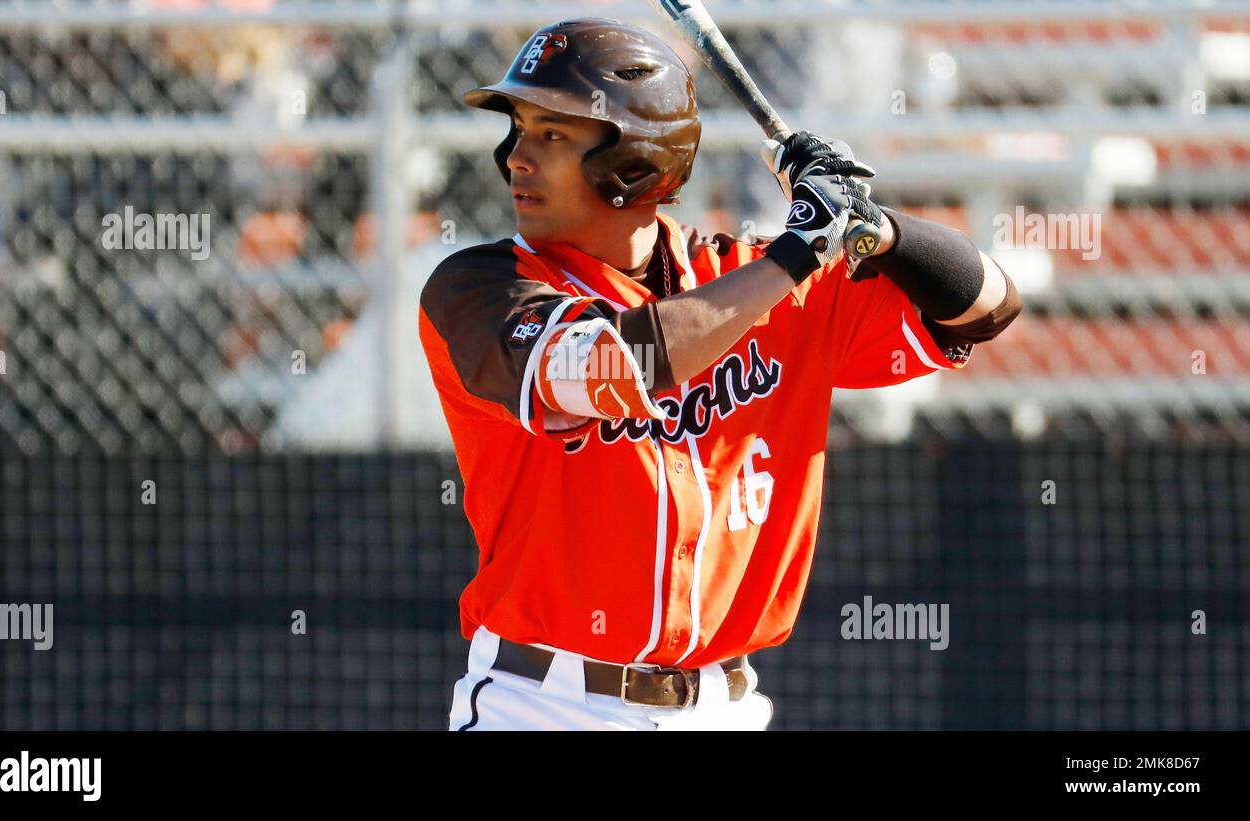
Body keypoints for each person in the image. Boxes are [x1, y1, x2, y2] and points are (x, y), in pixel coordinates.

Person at [418, 18, 1021, 730]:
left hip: (723, 708)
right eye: (519, 129)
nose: (516, 156)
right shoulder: (478, 287)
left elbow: (986, 306)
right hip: (542, 704)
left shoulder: (756, 281)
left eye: (553, 133)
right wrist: (797, 252)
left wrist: (872, 224)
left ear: (636, 158)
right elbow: (622, 365)